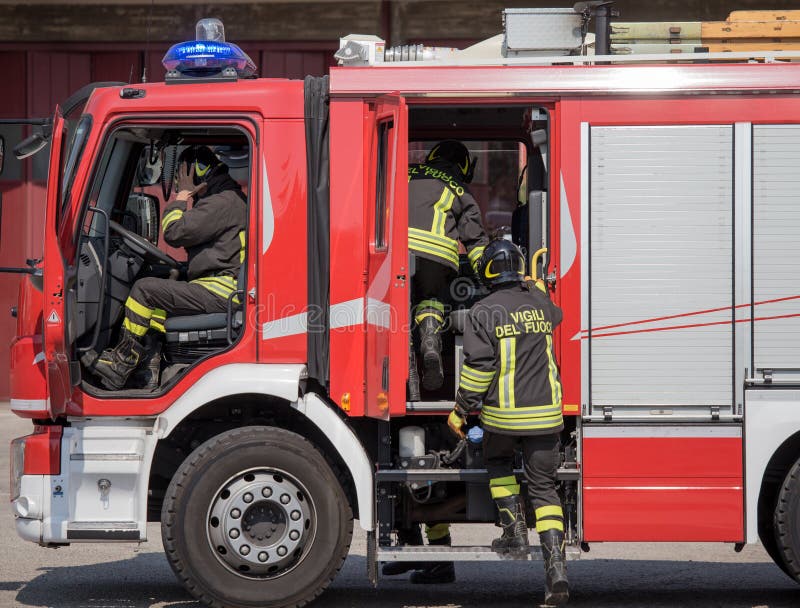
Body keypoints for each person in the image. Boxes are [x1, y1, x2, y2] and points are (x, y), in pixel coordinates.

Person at [447, 238, 569, 606]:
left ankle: (514, 532)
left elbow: (479, 370)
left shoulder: (483, 311)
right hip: (548, 416)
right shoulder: (540, 305)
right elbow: (558, 316)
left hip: (504, 417)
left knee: (498, 461)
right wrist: (536, 286)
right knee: (545, 490)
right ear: (519, 267)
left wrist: (460, 410)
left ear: (486, 271)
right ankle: (557, 574)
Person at [85, 145, 247, 390]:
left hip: (222, 290)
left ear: (198, 172)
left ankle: (121, 363)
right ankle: (148, 368)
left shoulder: (221, 202)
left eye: (184, 175)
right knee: (161, 290)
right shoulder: (227, 199)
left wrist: (182, 195)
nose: (182, 181)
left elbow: (174, 232)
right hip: (221, 285)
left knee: (144, 290)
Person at [408, 140, 488, 395]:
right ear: (464, 168)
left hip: (396, 252)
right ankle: (430, 341)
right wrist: (490, 278)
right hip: (437, 254)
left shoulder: (406, 172)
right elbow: (475, 241)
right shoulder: (460, 189)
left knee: (393, 310)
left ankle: (402, 356)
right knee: (430, 298)